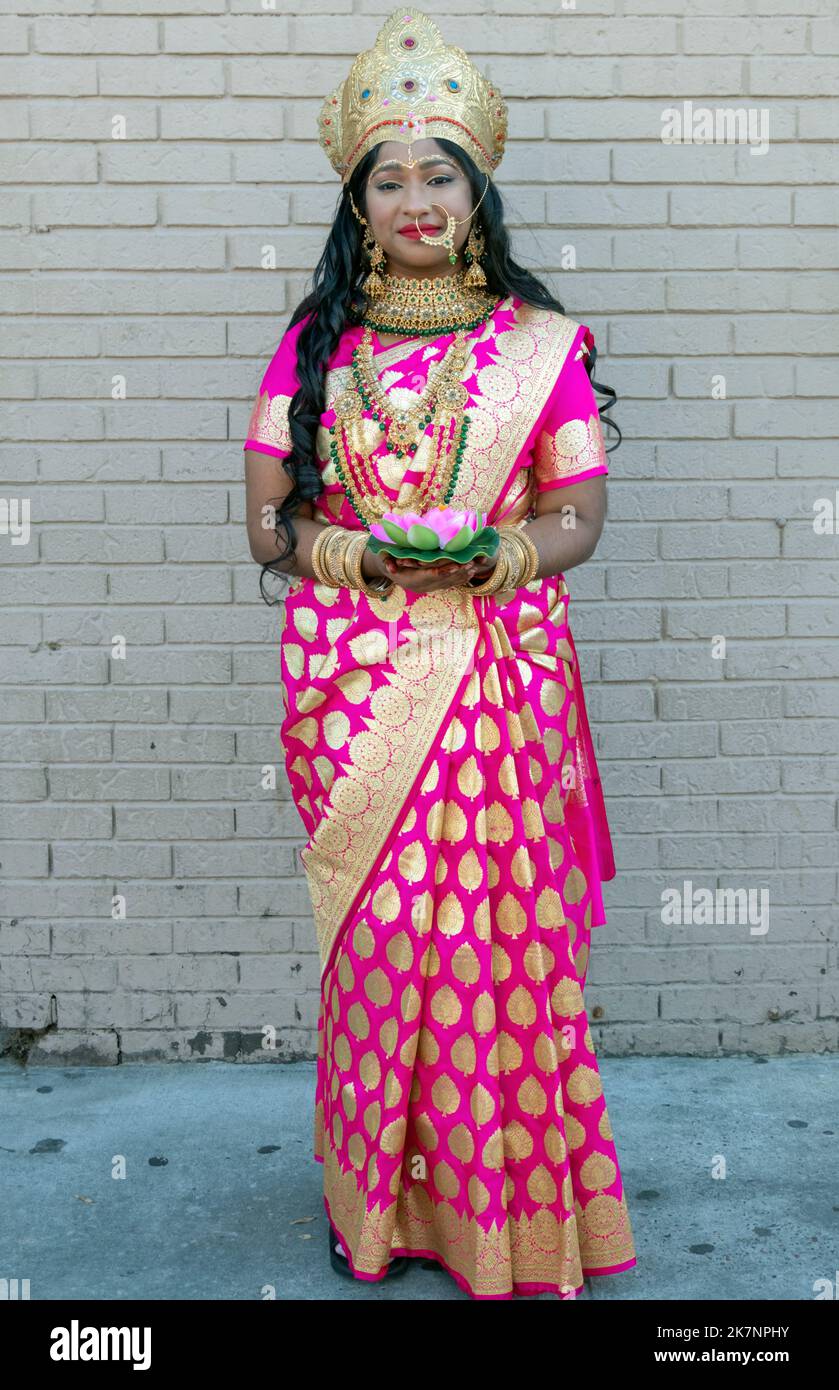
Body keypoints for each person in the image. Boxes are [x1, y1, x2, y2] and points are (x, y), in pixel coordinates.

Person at [243, 7, 637, 1300]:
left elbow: (576, 515)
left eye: (441, 171)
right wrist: (364, 558)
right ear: (359, 203)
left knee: (496, 951)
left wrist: (497, 557)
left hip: (496, 684)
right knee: (384, 945)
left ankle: (506, 1224)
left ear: (477, 196)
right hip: (362, 690)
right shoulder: (317, 350)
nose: (417, 195)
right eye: (390, 175)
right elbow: (266, 519)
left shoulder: (536, 347)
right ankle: (382, 1208)